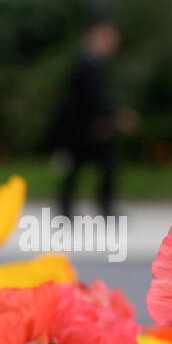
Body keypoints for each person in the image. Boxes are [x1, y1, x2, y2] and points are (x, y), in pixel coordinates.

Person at [51, 17, 128, 219]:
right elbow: (89, 99)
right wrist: (111, 118)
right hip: (80, 130)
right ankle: (67, 211)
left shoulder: (96, 65)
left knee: (105, 168)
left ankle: (103, 208)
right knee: (74, 170)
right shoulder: (84, 65)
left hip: (95, 128)